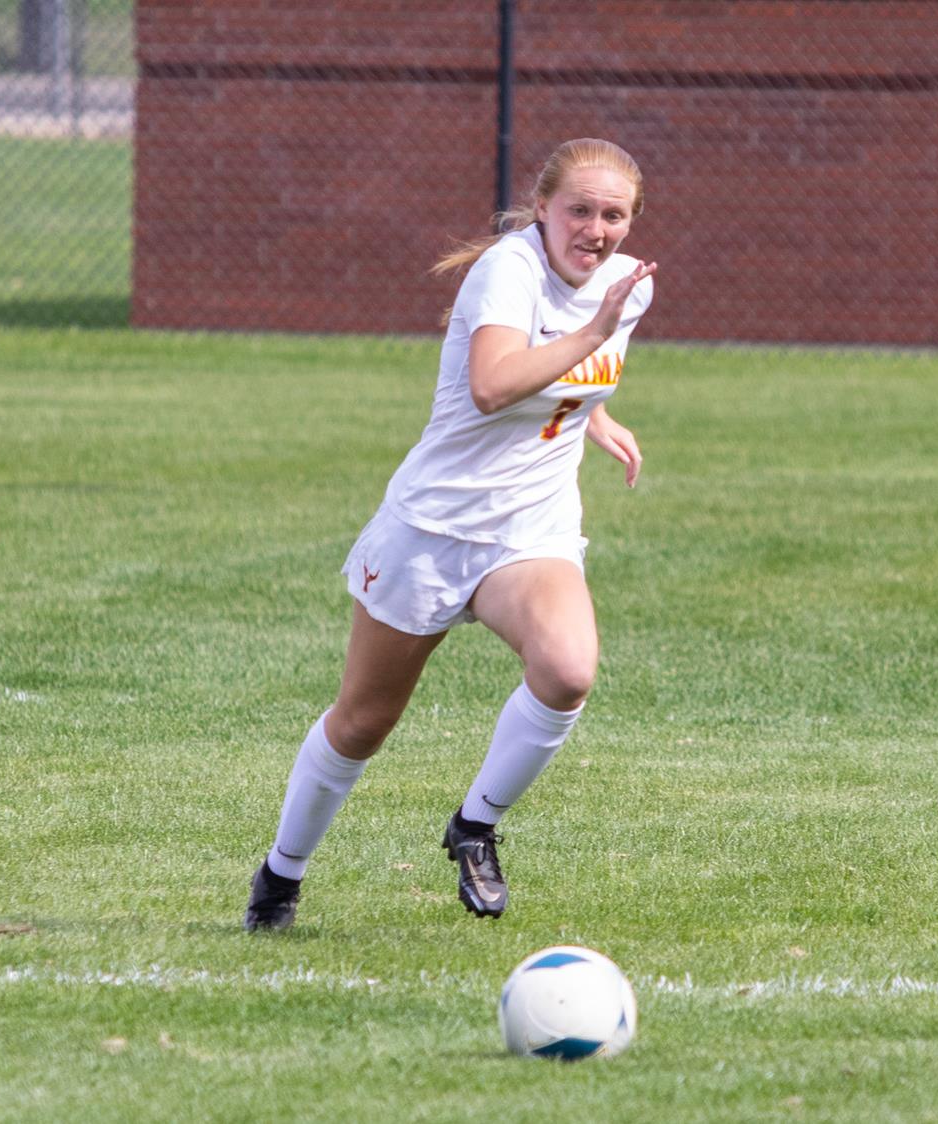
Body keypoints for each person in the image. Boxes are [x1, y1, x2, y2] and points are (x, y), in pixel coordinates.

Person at [243, 138, 658, 931]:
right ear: (542, 208)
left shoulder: (623, 286)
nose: (597, 229)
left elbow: (570, 371)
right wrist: (593, 334)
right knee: (363, 721)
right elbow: (496, 383)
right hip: (434, 528)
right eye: (580, 210)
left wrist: (596, 414)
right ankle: (279, 876)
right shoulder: (508, 269)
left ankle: (474, 827)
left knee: (568, 670)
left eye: (615, 215)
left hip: (530, 527)